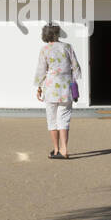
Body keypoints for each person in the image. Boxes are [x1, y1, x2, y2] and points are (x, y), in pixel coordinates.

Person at [34, 23, 82, 159]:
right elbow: (76, 67)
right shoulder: (67, 47)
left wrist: (39, 87)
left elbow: (41, 70)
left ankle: (56, 150)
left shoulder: (44, 49)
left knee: (52, 120)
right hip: (66, 88)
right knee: (64, 119)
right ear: (57, 33)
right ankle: (64, 149)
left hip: (50, 88)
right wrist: (72, 78)